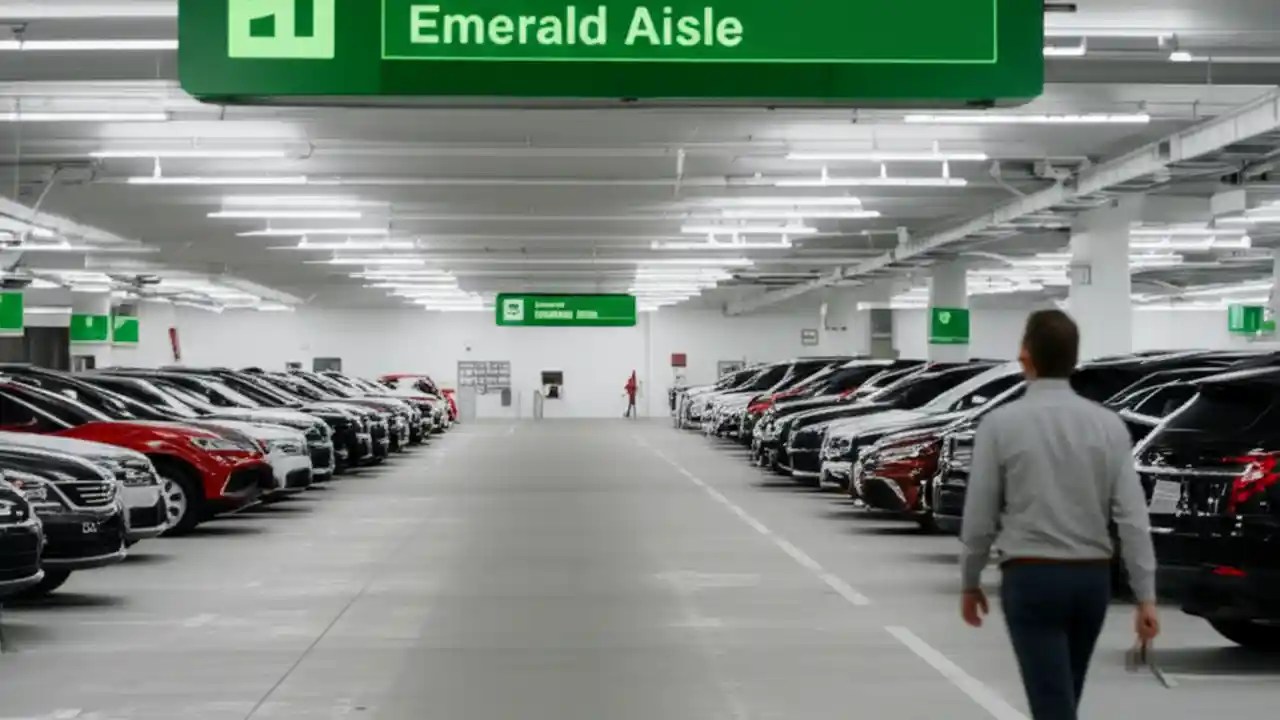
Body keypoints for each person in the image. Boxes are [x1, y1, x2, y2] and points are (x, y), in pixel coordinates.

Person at [959, 309, 1159, 720]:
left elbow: (980, 515)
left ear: (1025, 356)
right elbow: (1132, 517)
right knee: (1063, 696)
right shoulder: (1108, 426)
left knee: (1052, 704)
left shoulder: (1000, 424)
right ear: (1074, 359)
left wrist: (970, 579)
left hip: (1031, 578)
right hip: (1090, 581)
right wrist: (1146, 595)